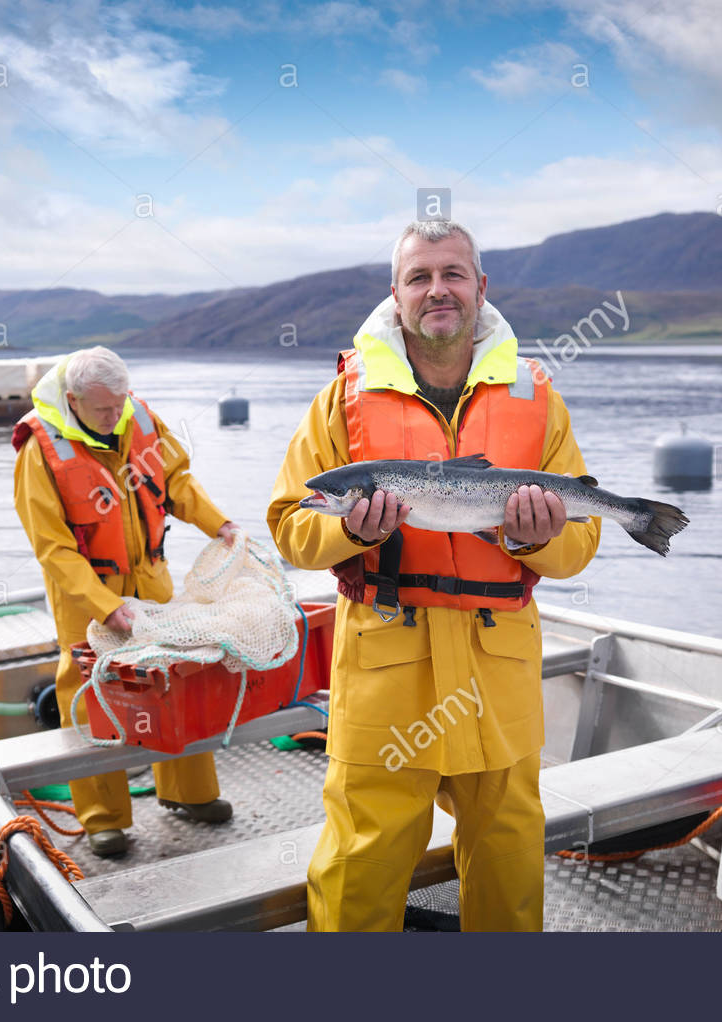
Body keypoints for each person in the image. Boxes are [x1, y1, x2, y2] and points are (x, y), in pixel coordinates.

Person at [266, 219, 602, 931]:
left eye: (452, 274)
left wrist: (533, 538)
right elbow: (292, 528)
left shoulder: (538, 397)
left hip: (497, 675)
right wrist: (345, 530)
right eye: (419, 277)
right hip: (387, 672)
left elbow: (578, 547)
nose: (437, 289)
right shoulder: (341, 399)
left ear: (481, 288)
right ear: (396, 295)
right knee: (361, 868)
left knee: (510, 865)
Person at [13, 346, 241, 857]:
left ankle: (190, 793)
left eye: (120, 406)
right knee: (94, 695)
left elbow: (176, 480)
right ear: (72, 401)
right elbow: (52, 548)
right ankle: (103, 819)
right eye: (102, 410)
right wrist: (104, 604)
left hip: (152, 577)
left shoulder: (136, 414)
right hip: (85, 593)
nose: (116, 418)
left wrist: (218, 524)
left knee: (177, 676)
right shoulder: (39, 451)